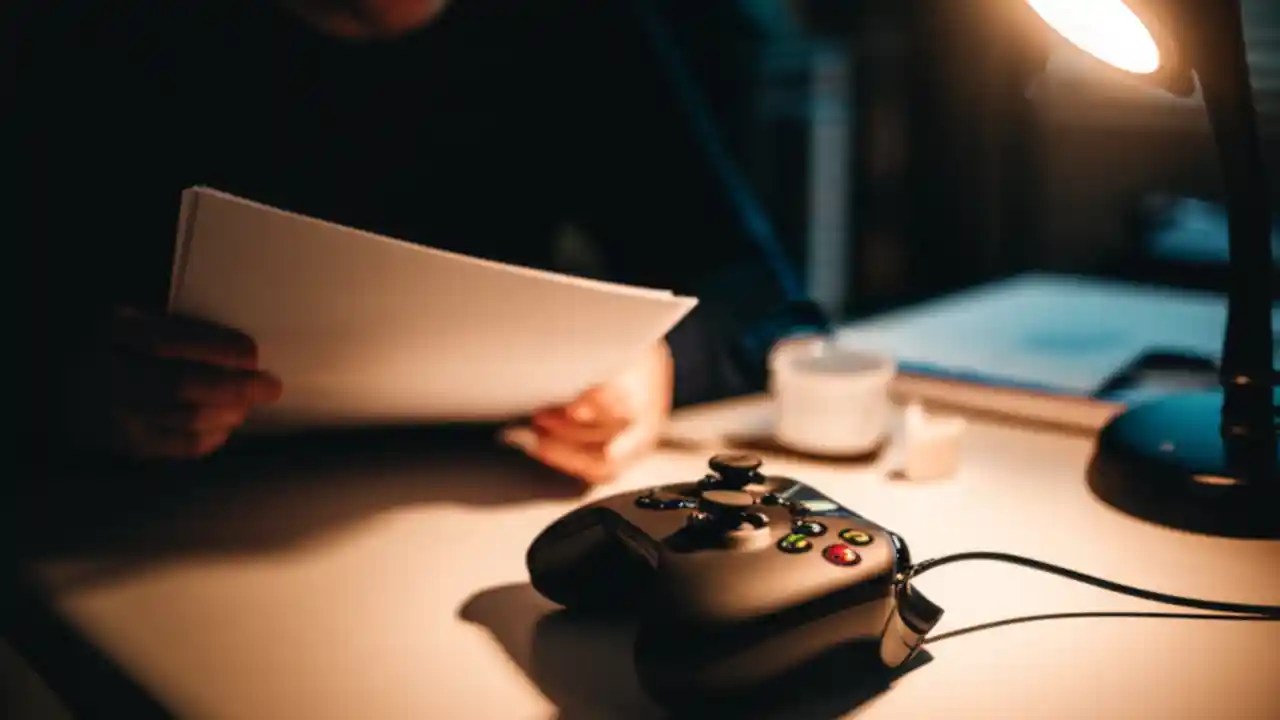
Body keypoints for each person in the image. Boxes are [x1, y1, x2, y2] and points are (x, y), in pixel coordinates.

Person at [17, 0, 827, 483]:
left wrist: (656, 362)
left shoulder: (574, 21)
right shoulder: (104, 32)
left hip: (478, 514)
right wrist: (68, 389)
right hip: (130, 531)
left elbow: (759, 295)